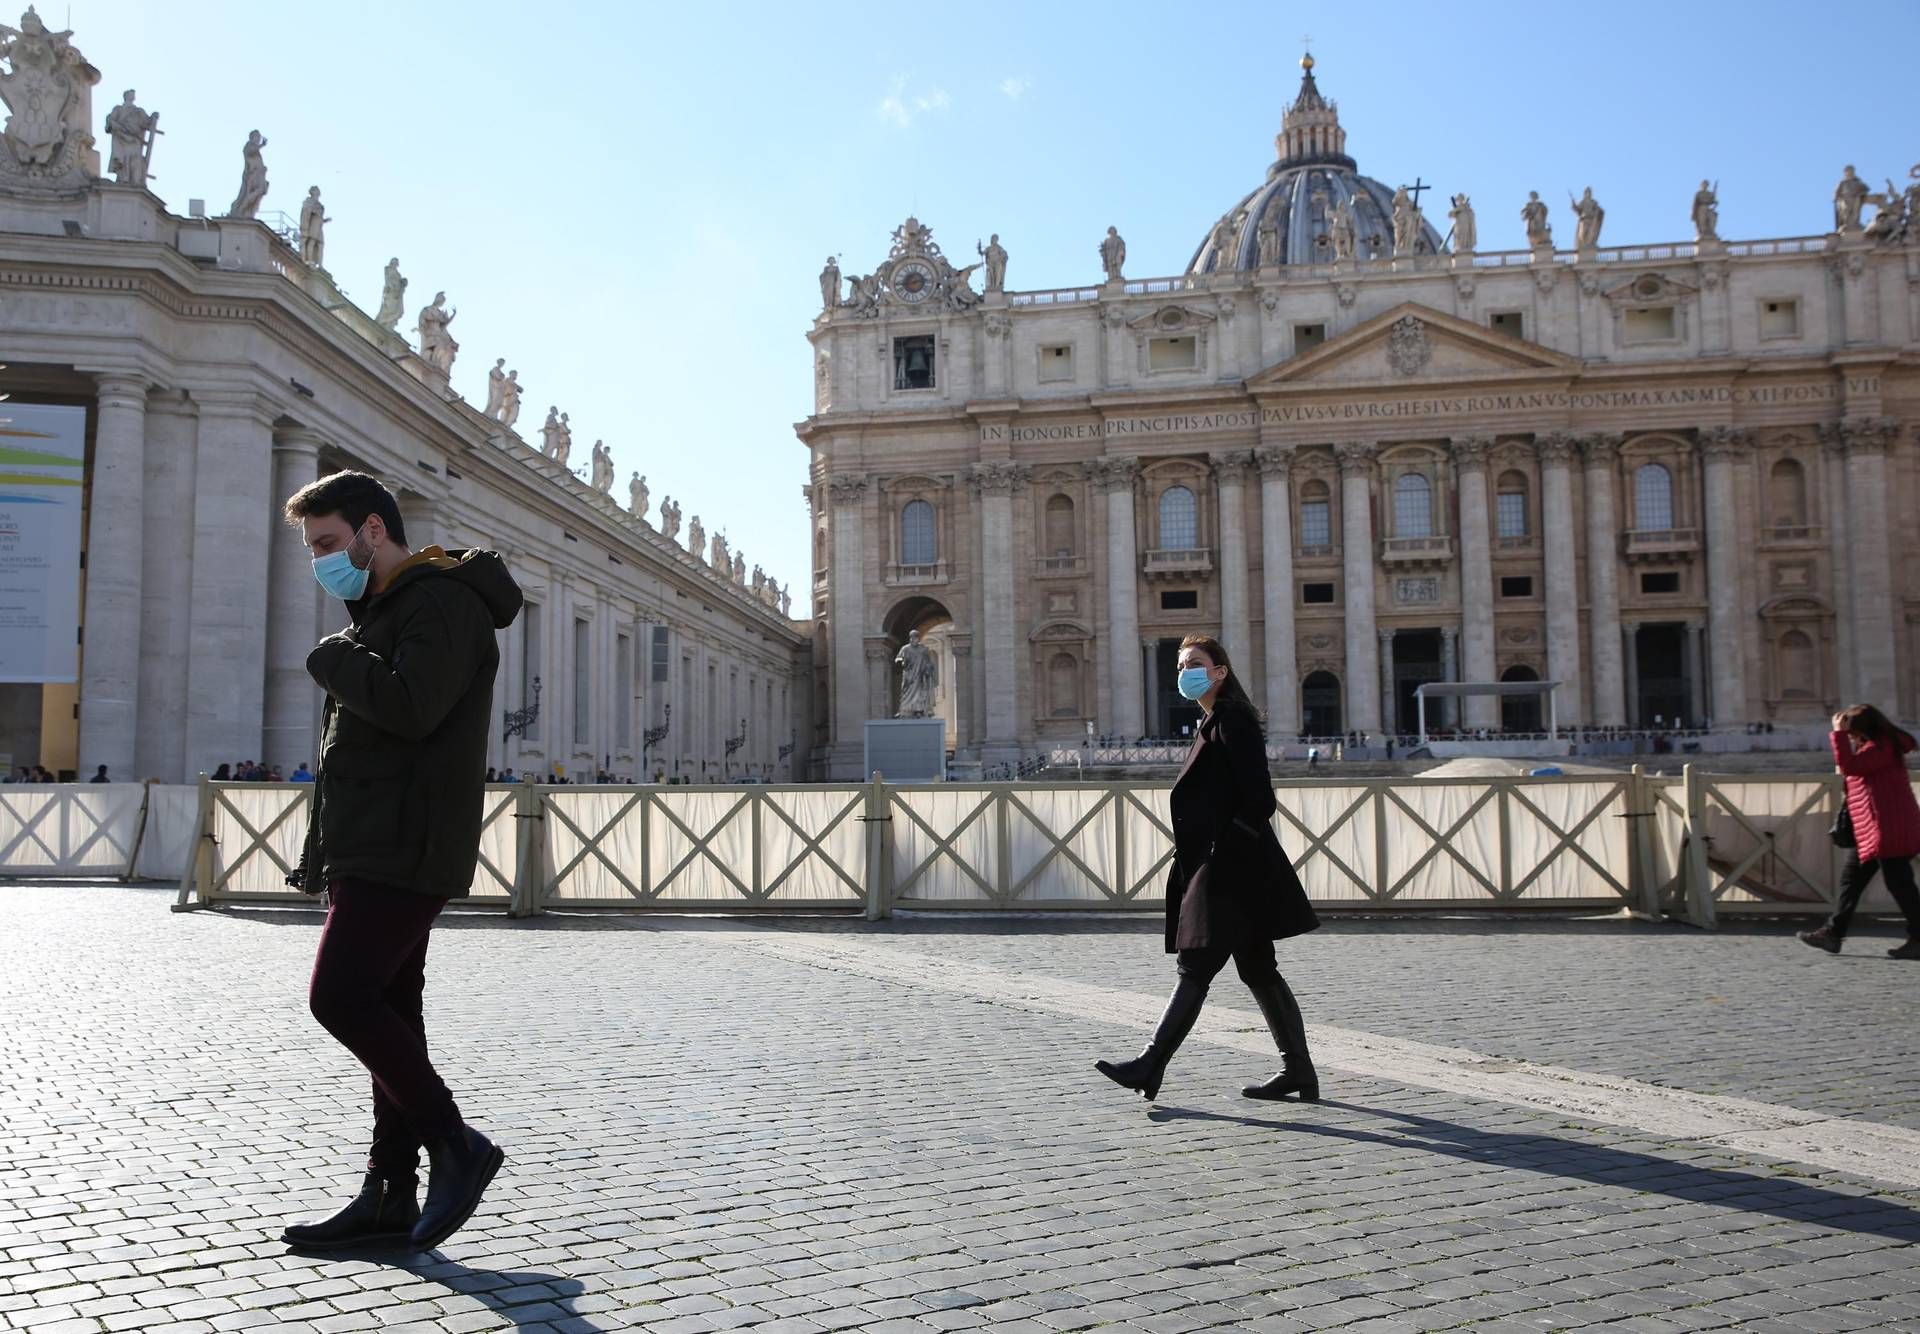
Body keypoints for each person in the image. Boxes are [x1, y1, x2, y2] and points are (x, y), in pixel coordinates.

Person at [279, 471, 523, 1252]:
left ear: (373, 531)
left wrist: (332, 660)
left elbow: (415, 708)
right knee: (396, 1016)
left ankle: (457, 1143)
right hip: (373, 841)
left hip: (406, 843)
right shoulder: (386, 610)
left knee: (339, 998)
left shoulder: (442, 603)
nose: (321, 562)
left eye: (327, 544)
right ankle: (389, 1190)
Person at [1095, 634, 1321, 1103]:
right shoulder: (1212, 721)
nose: (1184, 673)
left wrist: (1221, 852)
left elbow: (1260, 800)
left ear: (1220, 671)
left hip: (1229, 871)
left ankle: (1149, 1064)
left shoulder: (1232, 719)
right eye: (1180, 666)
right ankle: (1298, 1071)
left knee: (1194, 965)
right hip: (1233, 867)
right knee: (1259, 969)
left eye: (1194, 664)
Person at [1800, 704, 1920, 959]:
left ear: (1863, 730)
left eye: (1852, 733)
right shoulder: (1877, 747)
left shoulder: (1883, 747)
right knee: (1851, 881)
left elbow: (1850, 767)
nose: (1851, 737)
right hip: (1874, 829)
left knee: (1901, 886)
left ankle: (1919, 938)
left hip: (1889, 828)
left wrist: (1838, 735)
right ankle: (1832, 934)